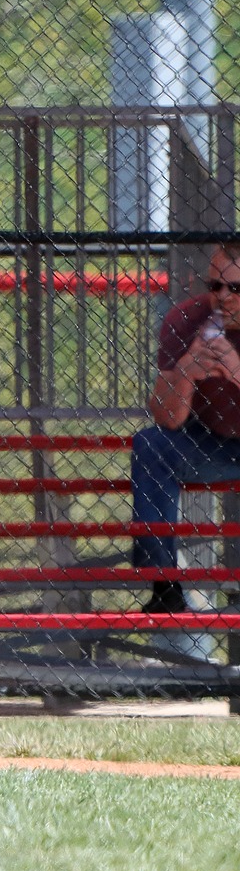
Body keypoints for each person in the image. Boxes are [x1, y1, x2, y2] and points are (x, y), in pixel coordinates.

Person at [132, 242, 240, 641]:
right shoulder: (188, 320)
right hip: (210, 441)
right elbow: (167, 418)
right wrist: (185, 373)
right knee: (150, 444)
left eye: (235, 288)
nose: (223, 297)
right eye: (216, 286)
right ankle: (164, 583)